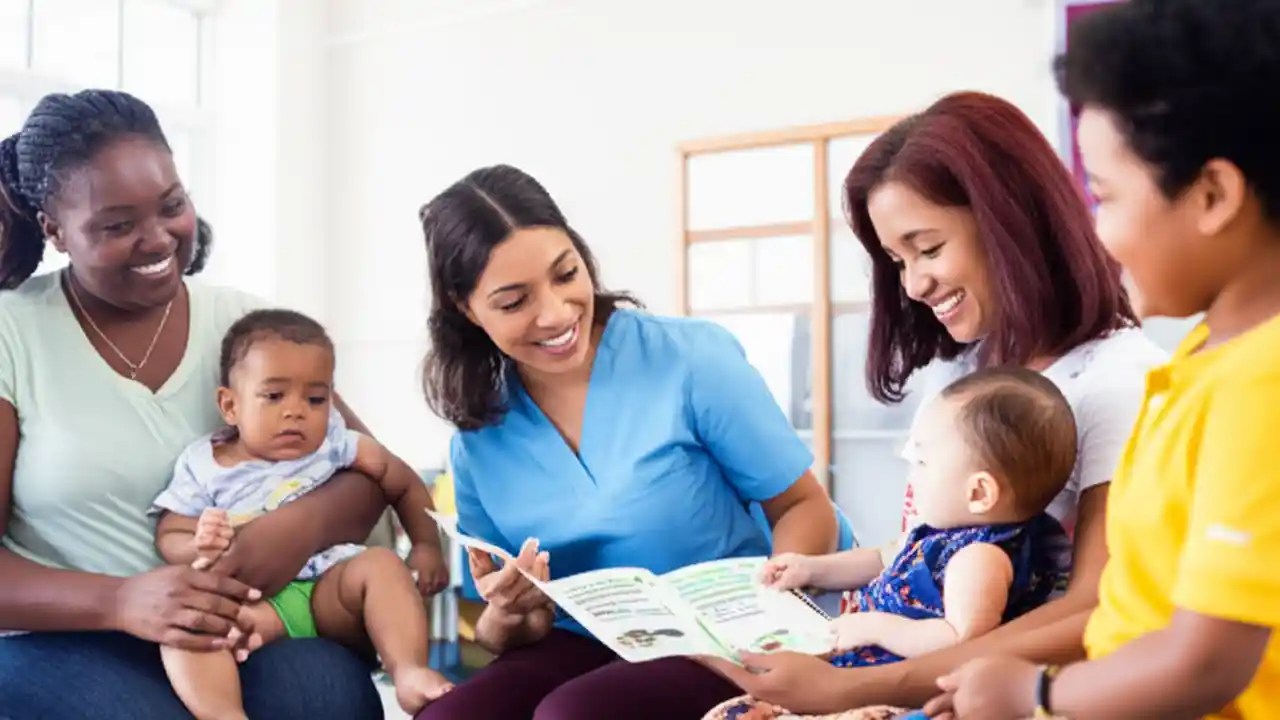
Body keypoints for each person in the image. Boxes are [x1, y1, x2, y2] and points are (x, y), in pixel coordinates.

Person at [700, 90, 1167, 714]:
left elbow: (1094, 609)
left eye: (929, 248)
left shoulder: (1117, 382)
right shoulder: (969, 375)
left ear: (1010, 223)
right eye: (897, 260)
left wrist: (848, 689)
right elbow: (915, 554)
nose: (914, 284)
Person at [932, 1, 1280, 717]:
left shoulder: (1262, 384)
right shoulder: (1204, 353)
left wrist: (1034, 694)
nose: (1098, 231)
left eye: (1106, 197)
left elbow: (1205, 663)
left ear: (1213, 195)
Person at [0, 90, 387, 718]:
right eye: (118, 225)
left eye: (171, 206)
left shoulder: (242, 323)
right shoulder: (11, 334)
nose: (157, 241)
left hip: (240, 625)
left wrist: (295, 528)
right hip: (68, 637)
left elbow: (369, 471)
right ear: (55, 230)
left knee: (326, 693)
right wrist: (121, 602)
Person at [412, 164, 842, 720]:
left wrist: (767, 615)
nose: (557, 313)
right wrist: (511, 613)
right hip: (586, 639)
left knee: (574, 715)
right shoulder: (478, 438)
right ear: (465, 309)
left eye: (565, 274)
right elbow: (503, 632)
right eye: (515, 302)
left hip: (722, 631)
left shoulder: (690, 361)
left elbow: (806, 506)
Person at [706, 367, 1074, 719]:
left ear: (979, 492)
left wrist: (876, 627)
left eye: (923, 461)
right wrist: (810, 568)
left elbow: (961, 641)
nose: (910, 471)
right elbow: (883, 560)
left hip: (897, 695)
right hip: (859, 670)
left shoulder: (979, 557)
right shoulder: (944, 532)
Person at [150, 309, 453, 719]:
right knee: (185, 625)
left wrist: (425, 544)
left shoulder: (336, 443)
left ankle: (408, 670)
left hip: (330, 591)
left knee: (381, 565)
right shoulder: (205, 464)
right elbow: (170, 532)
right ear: (230, 405)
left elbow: (401, 480)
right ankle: (223, 714)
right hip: (257, 606)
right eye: (274, 397)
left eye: (315, 399)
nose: (296, 411)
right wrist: (200, 544)